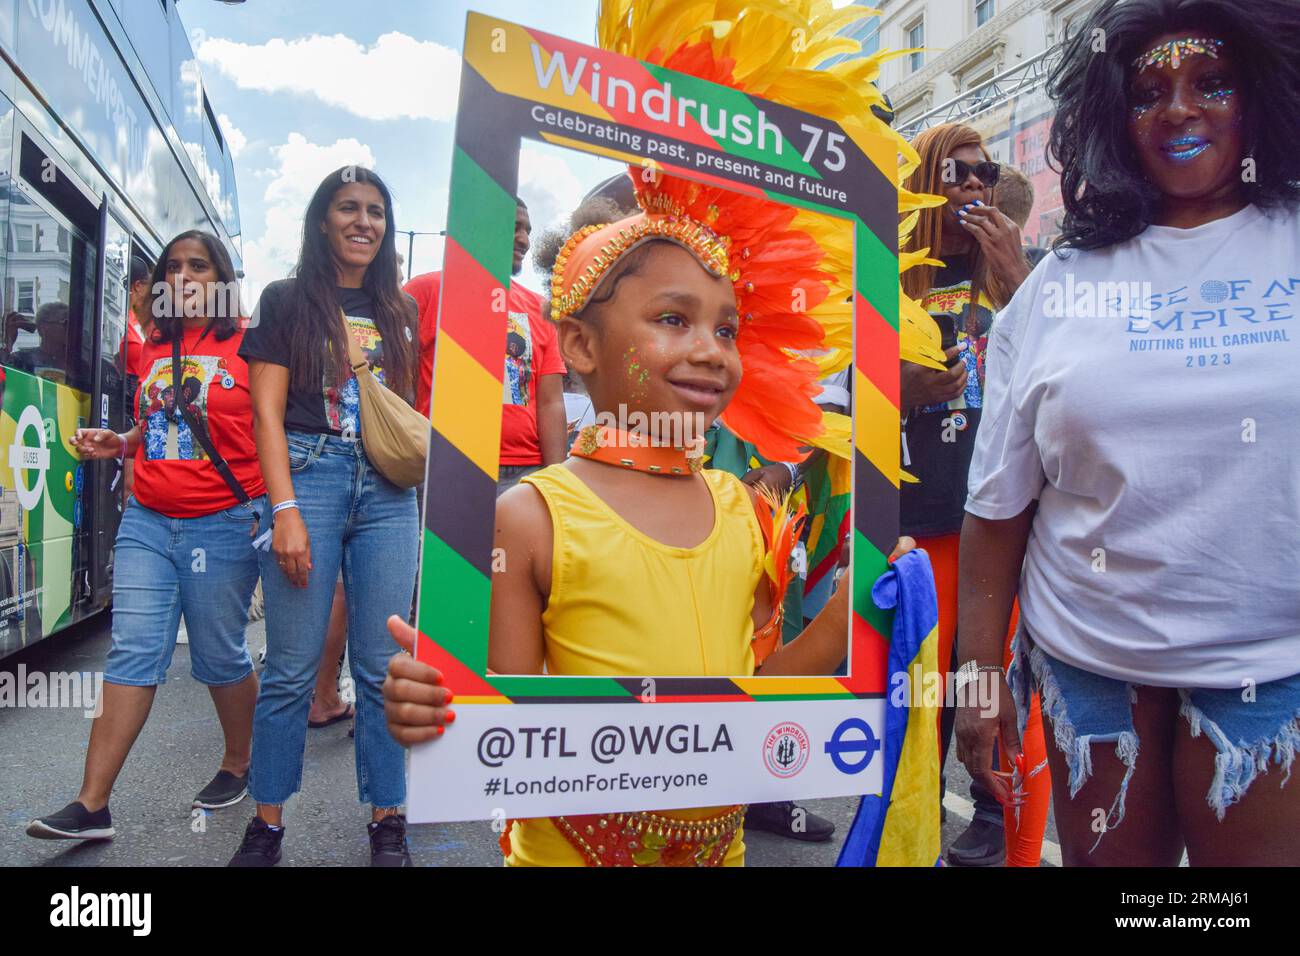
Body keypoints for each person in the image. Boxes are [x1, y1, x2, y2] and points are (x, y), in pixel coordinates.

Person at [956, 0, 1300, 867]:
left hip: (1274, 667)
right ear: (1115, 119)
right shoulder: (1054, 286)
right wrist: (976, 682)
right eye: (1149, 92)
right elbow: (996, 507)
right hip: (1091, 667)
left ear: (1260, 97)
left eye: (1211, 83)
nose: (1180, 109)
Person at [26, 230, 265, 841]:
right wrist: (124, 442)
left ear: (222, 279)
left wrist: (279, 508)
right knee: (133, 651)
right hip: (148, 522)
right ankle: (91, 805)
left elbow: (271, 429)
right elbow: (161, 421)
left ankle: (241, 760)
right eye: (173, 268)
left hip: (225, 522)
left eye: (199, 267)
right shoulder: (154, 349)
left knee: (219, 656)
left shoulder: (253, 343)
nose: (184, 277)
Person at [229, 166, 420, 867]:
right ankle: (268, 824)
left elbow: (403, 415)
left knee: (381, 667)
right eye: (348, 208)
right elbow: (266, 414)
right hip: (308, 476)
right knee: (289, 667)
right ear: (321, 220)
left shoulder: (401, 310)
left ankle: (388, 821)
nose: (363, 221)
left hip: (388, 495)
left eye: (376, 210)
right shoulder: (286, 301)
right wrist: (284, 510)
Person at [897, 122, 1045, 867]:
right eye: (954, 174)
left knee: (1009, 698)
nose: (973, 186)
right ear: (924, 183)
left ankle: (1001, 827)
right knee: (923, 706)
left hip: (1013, 524)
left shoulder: (1032, 270)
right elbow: (834, 400)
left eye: (983, 172)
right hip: (923, 523)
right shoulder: (889, 282)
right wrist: (904, 387)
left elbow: (1074, 369)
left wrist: (1018, 278)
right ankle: (914, 835)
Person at [405, 197, 568, 494]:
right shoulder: (424, 292)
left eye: (528, 231)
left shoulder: (541, 309)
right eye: (515, 227)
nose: (524, 240)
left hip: (522, 475)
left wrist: (557, 481)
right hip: (443, 467)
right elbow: (398, 384)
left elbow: (551, 402)